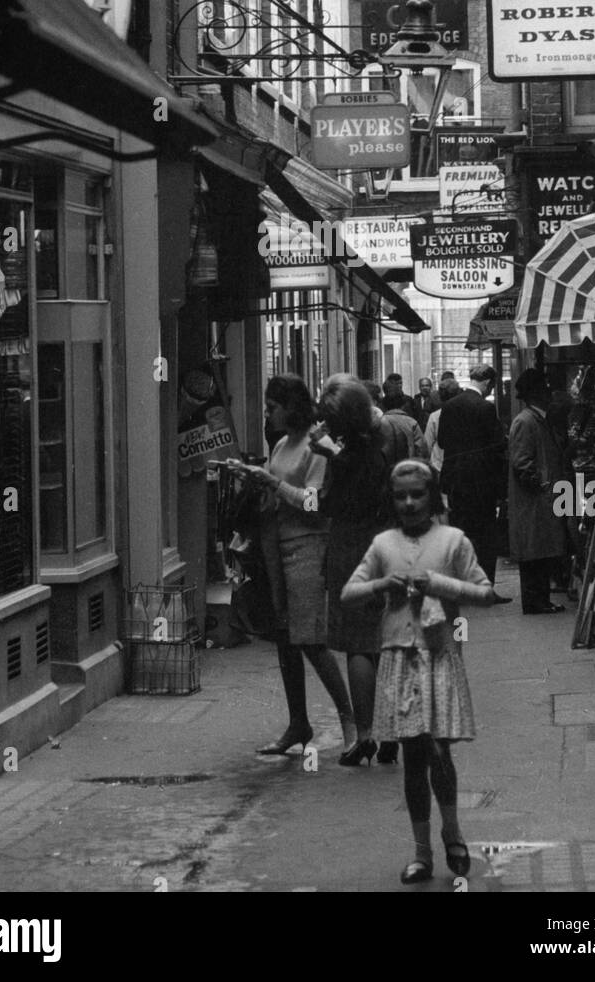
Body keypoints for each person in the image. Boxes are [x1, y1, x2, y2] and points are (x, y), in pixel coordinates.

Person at [342, 459, 493, 884]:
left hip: (440, 656)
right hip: (399, 658)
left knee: (441, 752)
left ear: (434, 495)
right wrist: (380, 585)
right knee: (413, 758)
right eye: (400, 495)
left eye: (418, 493)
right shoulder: (383, 544)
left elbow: (486, 592)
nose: (409, 502)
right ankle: (422, 852)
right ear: (391, 500)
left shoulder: (453, 541)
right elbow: (348, 593)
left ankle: (454, 832)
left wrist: (440, 585)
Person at [230, 374, 357, 756]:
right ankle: (298, 723)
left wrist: (271, 482)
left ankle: (349, 719)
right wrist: (254, 481)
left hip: (306, 547)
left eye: (272, 408)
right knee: (285, 639)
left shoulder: (317, 447)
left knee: (311, 639)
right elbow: (277, 495)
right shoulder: (283, 443)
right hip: (273, 547)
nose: (268, 415)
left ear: (291, 407)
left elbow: (316, 504)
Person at [315, 374, 393, 765]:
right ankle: (391, 728)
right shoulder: (380, 443)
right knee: (382, 639)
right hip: (382, 543)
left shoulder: (343, 458)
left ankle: (366, 734)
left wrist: (327, 455)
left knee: (358, 645)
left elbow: (328, 504)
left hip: (350, 548)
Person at [438, 364, 510, 604]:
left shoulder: (449, 406)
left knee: (461, 535)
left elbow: (442, 441)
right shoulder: (486, 408)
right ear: (489, 383)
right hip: (482, 482)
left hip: (457, 481)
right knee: (487, 538)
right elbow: (497, 446)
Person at [507, 369, 568, 614]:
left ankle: (540, 600)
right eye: (545, 388)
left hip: (540, 498)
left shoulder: (536, 419)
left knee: (540, 552)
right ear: (536, 393)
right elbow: (522, 462)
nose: (550, 392)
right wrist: (540, 486)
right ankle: (535, 602)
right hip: (534, 501)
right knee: (535, 552)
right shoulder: (525, 421)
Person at [423, 377, 463, 479]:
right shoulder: (464, 414)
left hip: (438, 465)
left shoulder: (435, 416)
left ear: (440, 396)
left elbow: (427, 443)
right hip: (460, 464)